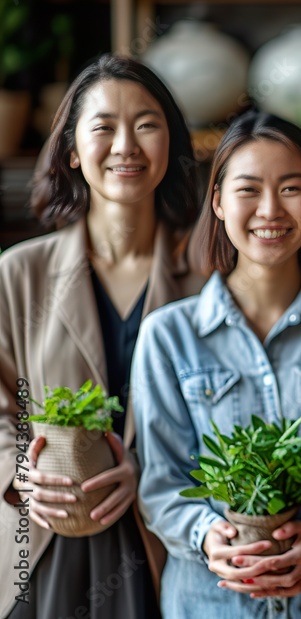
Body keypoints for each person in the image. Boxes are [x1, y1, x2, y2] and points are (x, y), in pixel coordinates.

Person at [130, 112, 301, 619]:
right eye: (248, 189)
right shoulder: (169, 335)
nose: (270, 209)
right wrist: (207, 536)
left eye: (290, 188)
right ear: (218, 201)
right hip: (207, 603)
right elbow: (161, 483)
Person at [0, 54, 203, 618]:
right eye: (103, 127)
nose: (126, 146)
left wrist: (153, 469)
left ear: (171, 144)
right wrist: (20, 474)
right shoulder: (20, 272)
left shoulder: (210, 274)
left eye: (146, 124)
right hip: (45, 541)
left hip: (167, 543)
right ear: (71, 150)